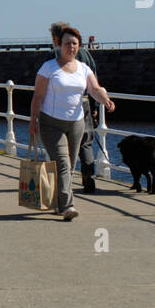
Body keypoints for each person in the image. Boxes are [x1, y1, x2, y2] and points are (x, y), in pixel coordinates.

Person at [29, 25, 115, 221]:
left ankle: (59, 203)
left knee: (70, 164)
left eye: (74, 44)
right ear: (59, 45)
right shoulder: (49, 68)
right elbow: (38, 96)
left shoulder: (84, 69)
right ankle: (68, 205)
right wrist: (33, 121)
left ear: (79, 46)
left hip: (76, 122)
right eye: (67, 43)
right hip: (51, 122)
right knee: (62, 162)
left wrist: (106, 100)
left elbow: (94, 89)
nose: (71, 47)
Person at [51, 22, 99, 193]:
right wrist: (94, 108)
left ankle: (64, 182)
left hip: (61, 106)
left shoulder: (55, 54)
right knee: (85, 143)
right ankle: (88, 178)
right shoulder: (86, 54)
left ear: (56, 37)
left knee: (62, 145)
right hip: (85, 102)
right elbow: (95, 83)